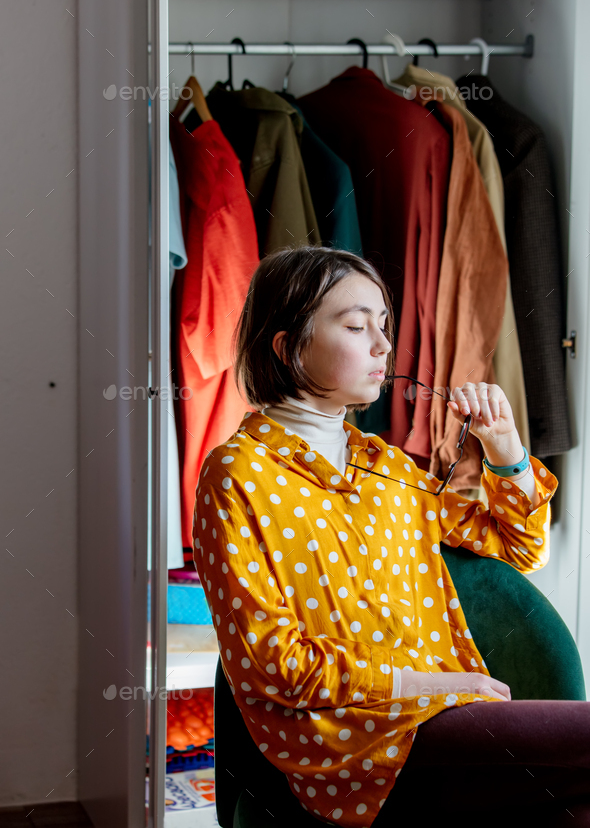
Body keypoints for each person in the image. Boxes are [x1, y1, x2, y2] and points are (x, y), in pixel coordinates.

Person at [193, 247, 589, 827]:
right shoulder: (236, 475)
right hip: (348, 742)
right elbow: (268, 664)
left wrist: (506, 452)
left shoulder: (383, 466)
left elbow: (517, 550)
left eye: (383, 325)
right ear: (286, 346)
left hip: (444, 711)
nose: (383, 346)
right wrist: (438, 682)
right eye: (356, 326)